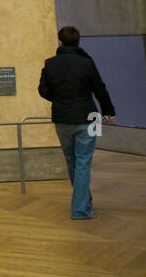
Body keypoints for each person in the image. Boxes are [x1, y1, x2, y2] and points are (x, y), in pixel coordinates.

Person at [38, 27, 116, 220]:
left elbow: (43, 90)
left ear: (60, 42)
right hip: (89, 117)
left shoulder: (50, 64)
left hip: (62, 118)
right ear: (78, 42)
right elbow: (100, 90)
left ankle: (84, 203)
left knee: (72, 161)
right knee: (83, 162)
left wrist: (59, 98)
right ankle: (81, 209)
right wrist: (109, 112)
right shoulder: (87, 63)